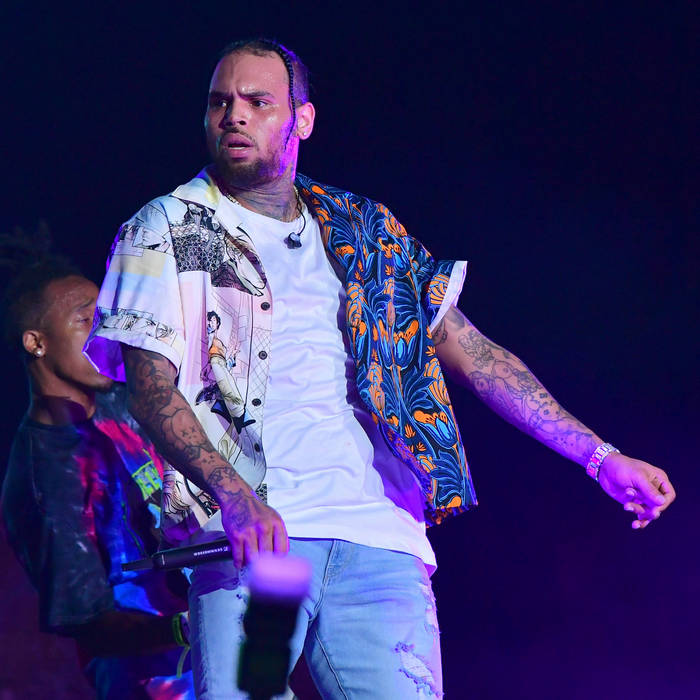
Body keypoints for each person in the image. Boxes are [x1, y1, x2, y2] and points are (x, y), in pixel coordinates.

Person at [85, 38, 676, 699]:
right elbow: (150, 387)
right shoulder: (170, 226)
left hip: (380, 543)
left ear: (302, 119)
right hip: (263, 546)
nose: (235, 116)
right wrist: (234, 495)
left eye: (258, 101)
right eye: (220, 102)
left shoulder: (365, 229)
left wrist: (600, 456)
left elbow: (476, 353)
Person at [1, 254, 195, 699]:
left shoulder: (124, 402)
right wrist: (186, 627)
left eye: (106, 315)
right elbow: (89, 622)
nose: (106, 331)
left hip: (219, 649)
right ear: (36, 342)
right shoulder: (46, 476)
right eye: (85, 320)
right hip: (157, 682)